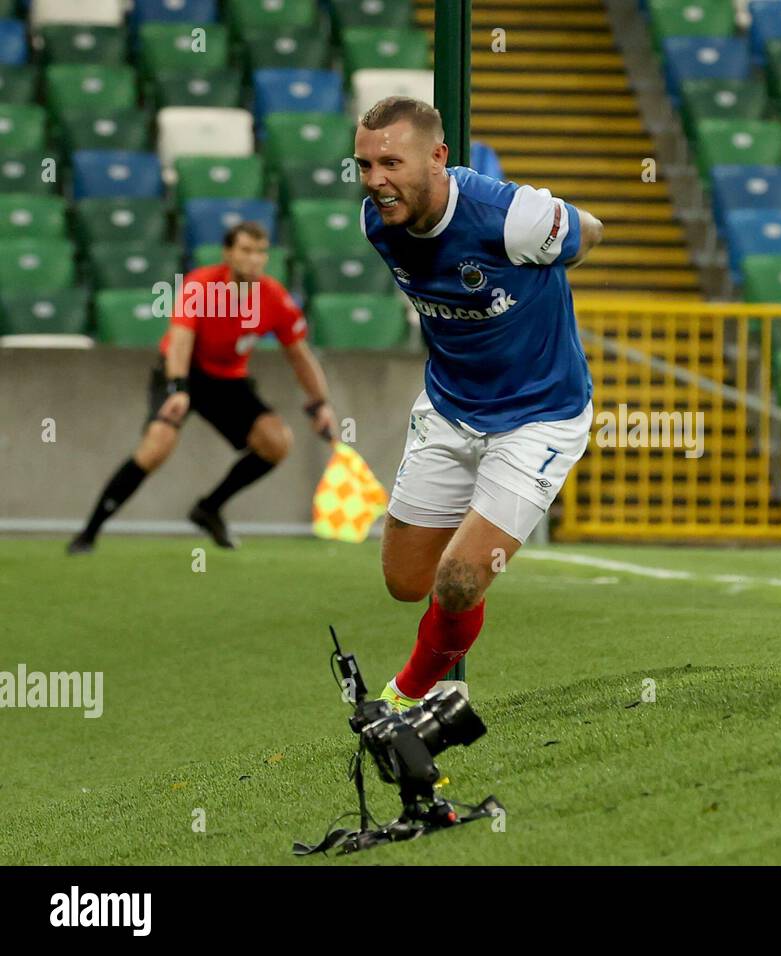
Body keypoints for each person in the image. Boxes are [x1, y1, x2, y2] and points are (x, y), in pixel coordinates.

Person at [353, 96, 604, 709]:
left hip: (538, 419)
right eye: (364, 165)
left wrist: (556, 234)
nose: (376, 181)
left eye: (391, 162)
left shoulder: (509, 217)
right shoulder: (376, 223)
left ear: (438, 157)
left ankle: (402, 700)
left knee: (459, 580)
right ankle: (450, 623)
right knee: (405, 583)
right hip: (449, 409)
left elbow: (590, 230)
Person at [68, 222, 338, 553]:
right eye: (246, 250)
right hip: (183, 371)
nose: (254, 259)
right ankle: (89, 532)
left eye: (260, 251)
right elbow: (181, 339)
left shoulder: (275, 299)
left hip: (227, 380)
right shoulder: (202, 285)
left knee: (276, 443)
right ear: (228, 253)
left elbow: (299, 355)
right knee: (157, 446)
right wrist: (178, 387)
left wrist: (319, 404)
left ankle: (208, 509)